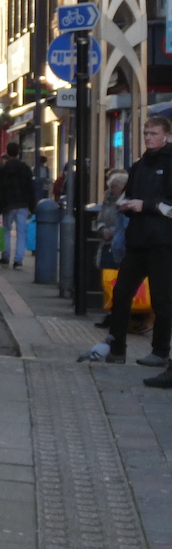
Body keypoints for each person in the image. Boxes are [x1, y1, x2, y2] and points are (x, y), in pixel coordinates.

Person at [102, 117, 172, 381]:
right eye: (145, 133)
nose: (148, 137)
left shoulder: (169, 163)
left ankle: (160, 351)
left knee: (162, 299)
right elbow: (127, 195)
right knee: (121, 294)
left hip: (163, 243)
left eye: (153, 133)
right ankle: (117, 346)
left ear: (166, 135)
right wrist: (126, 204)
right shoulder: (140, 166)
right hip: (138, 240)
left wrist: (148, 206)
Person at [0, 142, 37, 270]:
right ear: (18, 153)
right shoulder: (26, 168)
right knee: (22, 232)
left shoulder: (2, 169)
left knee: (6, 230)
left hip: (8, 205)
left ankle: (5, 257)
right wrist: (33, 207)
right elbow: (31, 189)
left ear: (7, 152)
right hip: (23, 204)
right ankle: (18, 260)